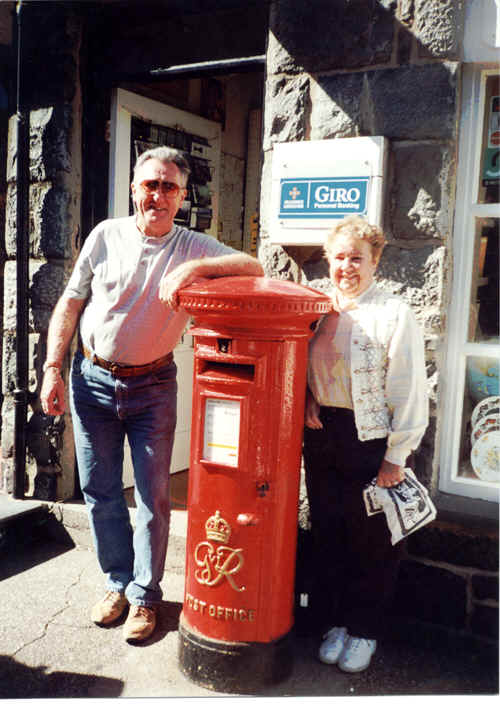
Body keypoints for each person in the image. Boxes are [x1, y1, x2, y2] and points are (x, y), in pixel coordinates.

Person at [40, 146, 264, 644]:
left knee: (153, 496)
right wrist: (52, 369)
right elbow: (71, 303)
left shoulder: (192, 245)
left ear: (182, 197)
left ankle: (145, 596)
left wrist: (193, 272)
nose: (157, 195)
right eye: (150, 185)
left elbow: (256, 267)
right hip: (91, 380)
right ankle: (116, 583)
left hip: (153, 386)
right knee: (99, 491)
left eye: (168, 187)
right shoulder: (104, 235)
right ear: (134, 189)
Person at [303, 215, 428, 673]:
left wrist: (397, 454)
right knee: (330, 533)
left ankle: (365, 629)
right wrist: (306, 400)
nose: (346, 267)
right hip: (321, 436)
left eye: (357, 258)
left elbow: (409, 387)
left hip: (371, 439)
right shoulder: (313, 304)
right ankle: (335, 622)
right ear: (328, 260)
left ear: (375, 261)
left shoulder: (393, 311)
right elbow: (295, 360)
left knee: (373, 541)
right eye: (339, 257)